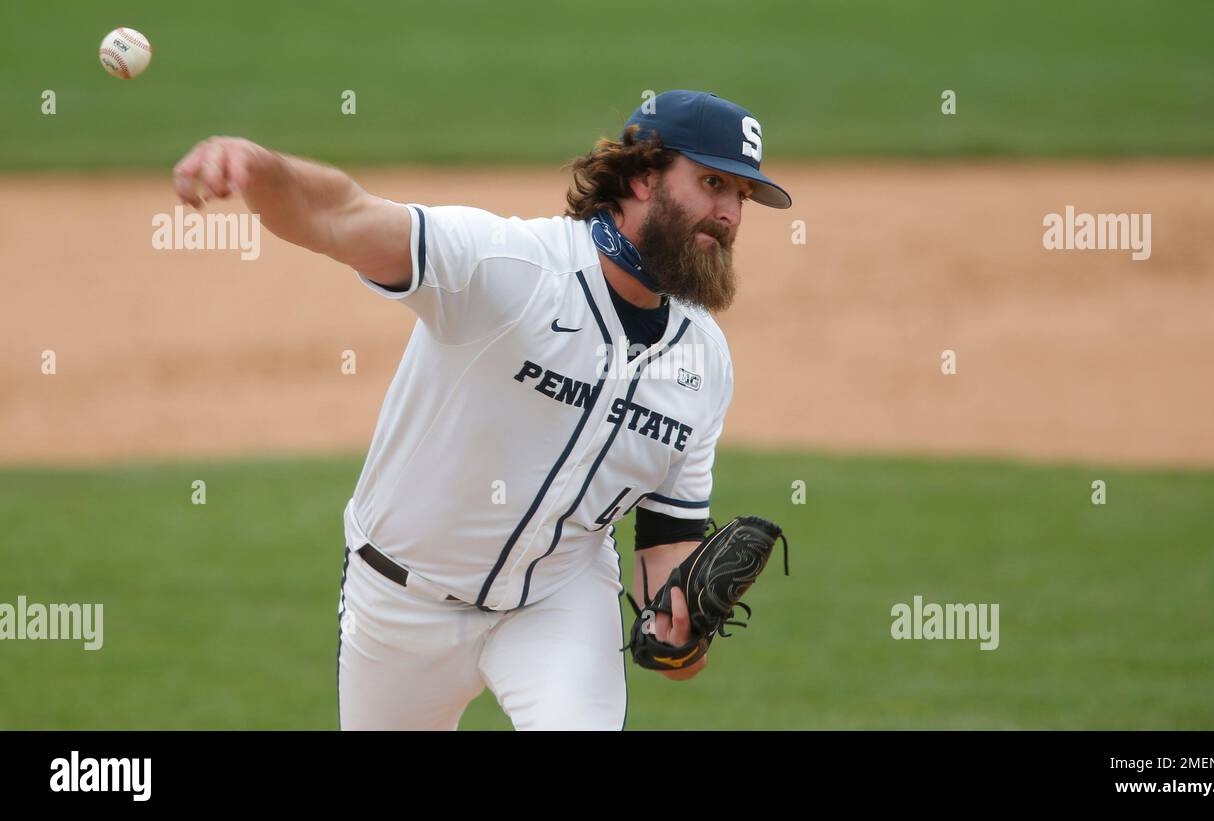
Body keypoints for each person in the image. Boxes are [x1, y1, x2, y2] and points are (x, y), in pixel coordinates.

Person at [172, 90, 792, 730]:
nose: (727, 214)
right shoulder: (508, 267)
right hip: (399, 604)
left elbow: (667, 539)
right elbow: (339, 215)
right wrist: (256, 165)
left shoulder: (705, 361)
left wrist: (677, 629)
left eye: (741, 196)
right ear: (642, 177)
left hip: (557, 604)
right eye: (712, 182)